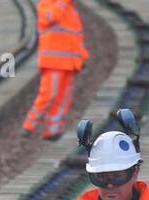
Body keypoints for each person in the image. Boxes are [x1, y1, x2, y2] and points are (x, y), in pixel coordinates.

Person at [21, 0, 87, 141]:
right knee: (48, 95)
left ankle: (52, 131)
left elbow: (77, 37)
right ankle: (28, 126)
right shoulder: (45, 5)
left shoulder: (71, 11)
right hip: (53, 62)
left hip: (69, 63)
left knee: (63, 99)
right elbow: (52, 18)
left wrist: (82, 57)